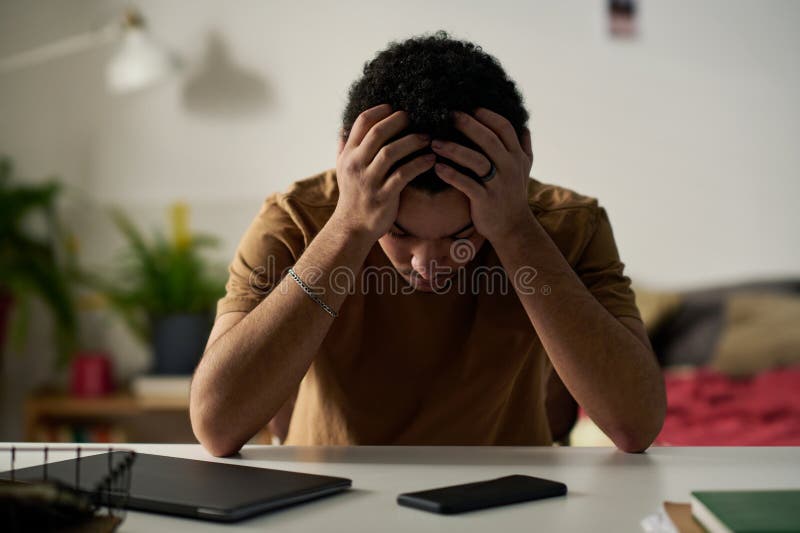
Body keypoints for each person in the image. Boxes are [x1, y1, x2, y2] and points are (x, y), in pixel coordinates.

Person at [189, 31, 666, 456]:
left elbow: (635, 425)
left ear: (520, 157)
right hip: (328, 493)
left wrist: (515, 230)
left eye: (462, 234)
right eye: (398, 232)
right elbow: (216, 425)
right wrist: (350, 228)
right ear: (346, 157)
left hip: (507, 497)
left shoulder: (568, 225)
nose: (428, 262)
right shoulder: (295, 219)